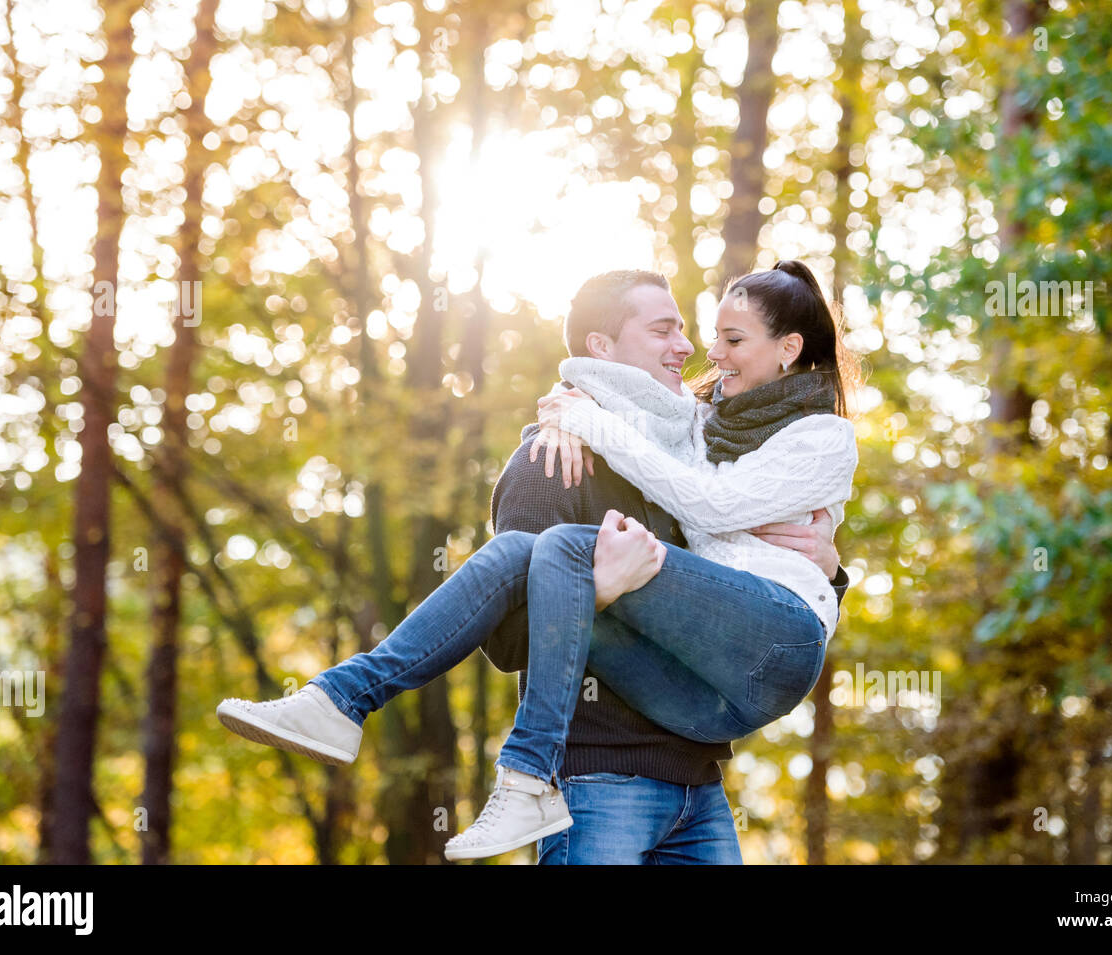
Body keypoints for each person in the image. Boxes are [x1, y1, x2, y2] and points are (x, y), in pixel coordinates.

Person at [217, 261, 858, 862]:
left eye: (699, 333)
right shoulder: (552, 463)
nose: (692, 349)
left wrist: (829, 570)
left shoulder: (691, 440)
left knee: (560, 551)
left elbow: (732, 539)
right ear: (602, 349)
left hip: (696, 764)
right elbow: (508, 639)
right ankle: (350, 707)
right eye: (667, 329)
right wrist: (597, 589)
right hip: (599, 779)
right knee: (546, 551)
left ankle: (407, 729)